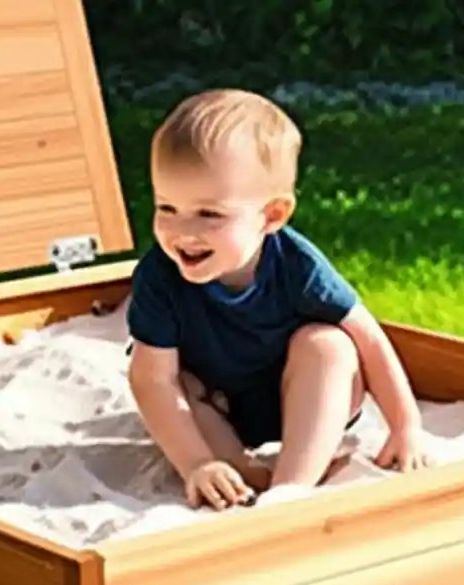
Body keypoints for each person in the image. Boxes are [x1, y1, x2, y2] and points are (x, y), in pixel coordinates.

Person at [125, 88, 430, 512]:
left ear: (272, 216)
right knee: (180, 384)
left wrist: (405, 426)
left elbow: (371, 340)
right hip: (222, 407)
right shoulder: (159, 276)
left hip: (302, 400)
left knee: (329, 343)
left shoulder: (297, 265)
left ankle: (293, 486)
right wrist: (197, 463)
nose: (183, 231)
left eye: (209, 214)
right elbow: (151, 379)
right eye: (166, 207)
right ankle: (231, 473)